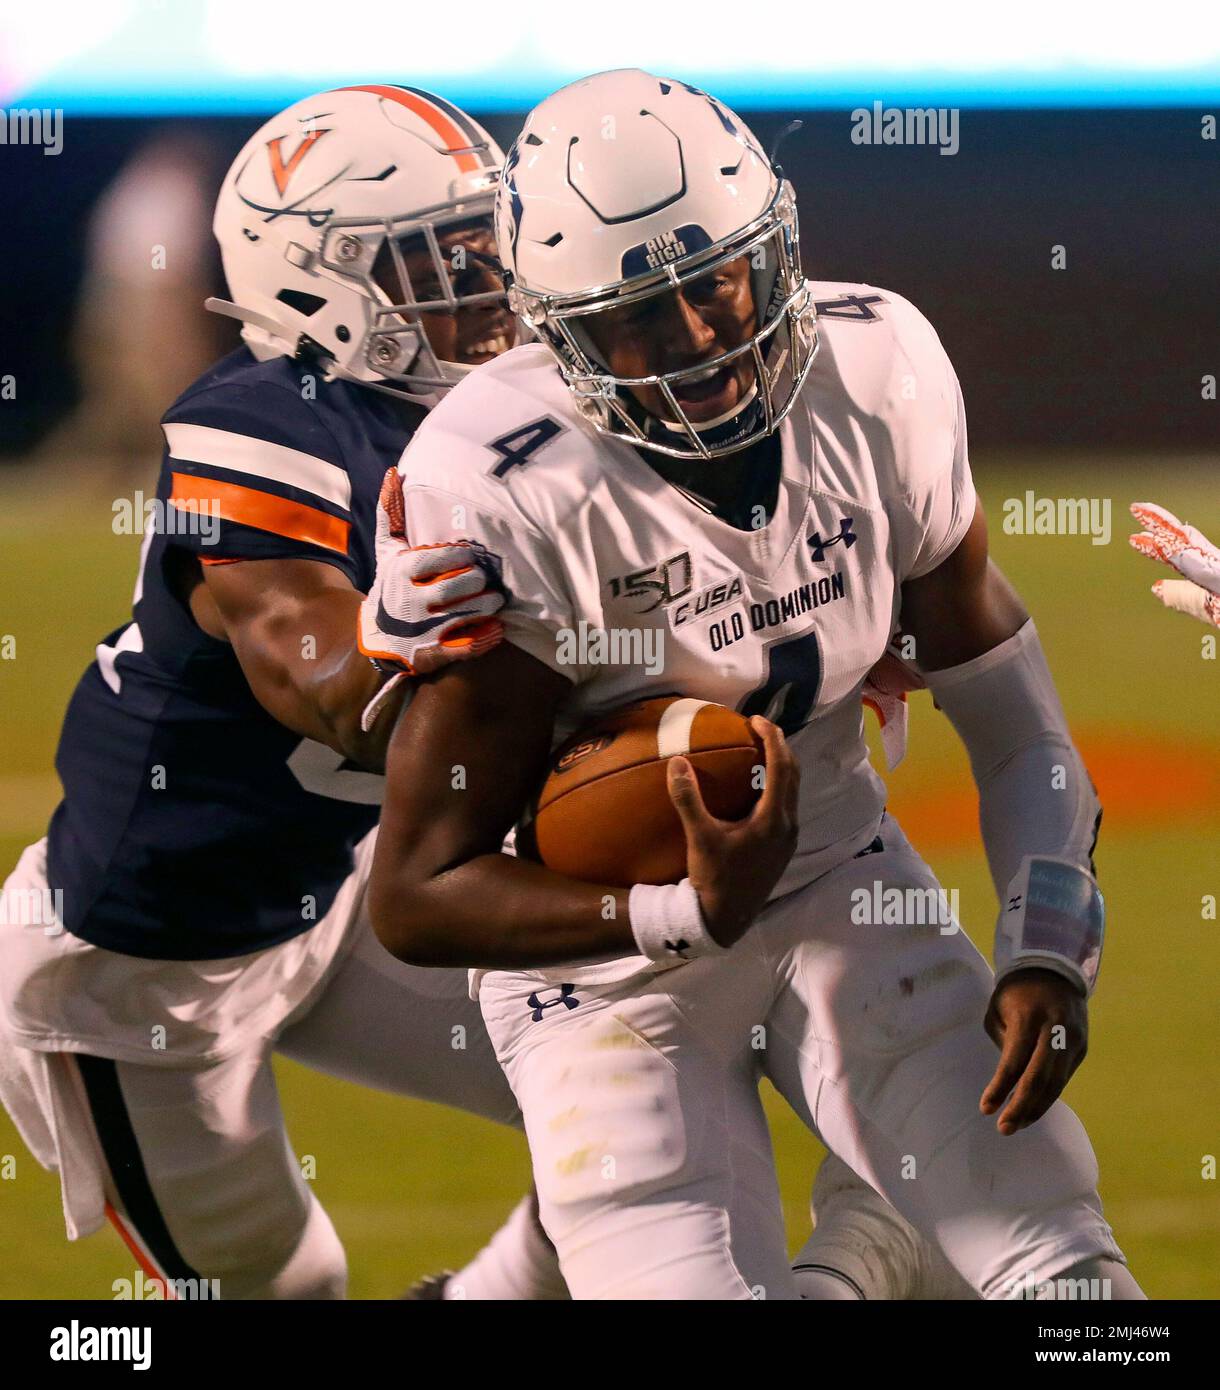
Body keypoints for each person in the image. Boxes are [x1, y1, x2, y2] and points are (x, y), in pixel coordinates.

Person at [366, 69, 1143, 1301]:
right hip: (601, 962)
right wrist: (680, 912)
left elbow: (1010, 713)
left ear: (771, 247)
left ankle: (854, 1258)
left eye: (712, 283)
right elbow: (416, 893)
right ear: (554, 331)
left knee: (1063, 1267)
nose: (699, 345)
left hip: (838, 870)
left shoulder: (875, 367)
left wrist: (1048, 944)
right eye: (636, 318)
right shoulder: (505, 481)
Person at [0, 84, 567, 1301]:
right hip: (148, 966)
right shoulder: (257, 423)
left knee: (638, 1102)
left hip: (351, 891)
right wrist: (429, 635)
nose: (490, 281)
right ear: (321, 283)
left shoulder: (503, 416)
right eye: (442, 257)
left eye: (489, 243)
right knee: (285, 1288)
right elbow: (326, 683)